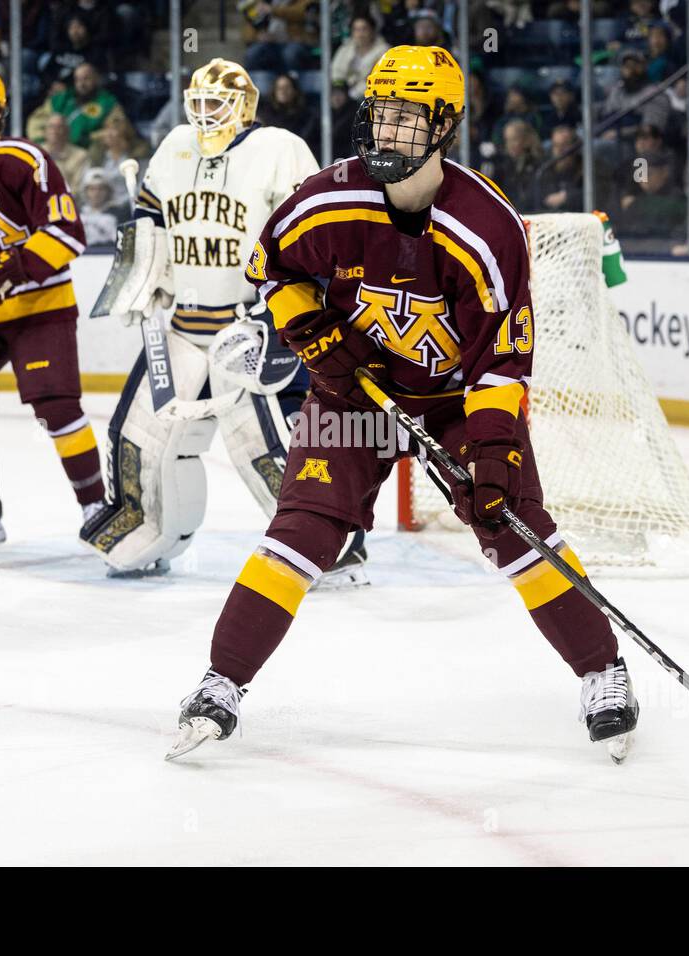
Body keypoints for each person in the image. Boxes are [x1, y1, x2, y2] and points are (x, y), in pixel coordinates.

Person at [165, 46, 639, 763]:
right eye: (379, 115)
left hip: (453, 400)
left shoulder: (488, 228)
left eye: (407, 119)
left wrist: (494, 455)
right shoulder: (328, 198)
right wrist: (314, 333)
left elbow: (501, 362)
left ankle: (603, 669)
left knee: (515, 529)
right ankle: (220, 682)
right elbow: (270, 267)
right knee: (301, 531)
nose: (387, 132)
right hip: (351, 394)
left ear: (444, 126)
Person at [80, 58, 371, 587]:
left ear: (245, 105)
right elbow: (151, 218)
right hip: (184, 327)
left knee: (268, 446)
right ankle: (147, 534)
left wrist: (279, 309)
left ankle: (333, 545)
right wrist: (142, 270)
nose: (206, 113)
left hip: (251, 328)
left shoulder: (279, 148)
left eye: (217, 103)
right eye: (199, 103)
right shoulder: (175, 145)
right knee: (141, 431)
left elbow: (309, 234)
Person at [0, 68, 106, 545]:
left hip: (40, 307)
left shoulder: (22, 159)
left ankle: (94, 503)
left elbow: (68, 232)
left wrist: (11, 271)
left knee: (56, 408)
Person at [331, 13, 387, 102]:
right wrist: (340, 89)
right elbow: (336, 72)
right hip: (344, 97)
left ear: (372, 31)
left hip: (370, 99)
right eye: (356, 30)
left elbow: (375, 81)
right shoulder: (346, 48)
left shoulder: (384, 52)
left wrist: (353, 94)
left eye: (364, 29)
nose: (360, 34)